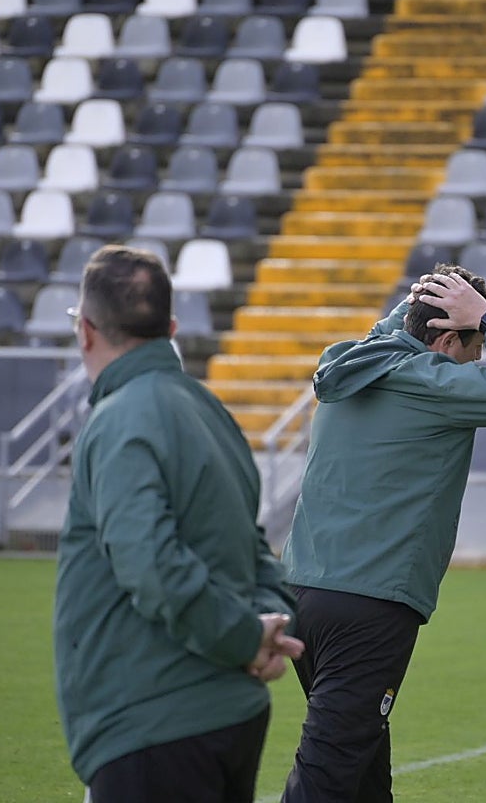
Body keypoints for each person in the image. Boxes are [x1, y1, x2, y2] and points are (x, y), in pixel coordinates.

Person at [280, 264, 486, 802]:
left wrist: (421, 303)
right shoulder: (431, 382)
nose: (477, 361)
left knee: (363, 774)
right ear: (446, 340)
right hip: (369, 607)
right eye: (474, 348)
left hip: (305, 591)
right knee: (326, 777)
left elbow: (390, 337)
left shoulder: (351, 368)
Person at [54, 244, 304, 803]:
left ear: (86, 331)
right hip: (229, 712)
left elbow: (151, 564)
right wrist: (271, 621)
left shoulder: (117, 421)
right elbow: (256, 545)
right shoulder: (209, 410)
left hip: (151, 720)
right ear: (169, 328)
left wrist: (246, 637)